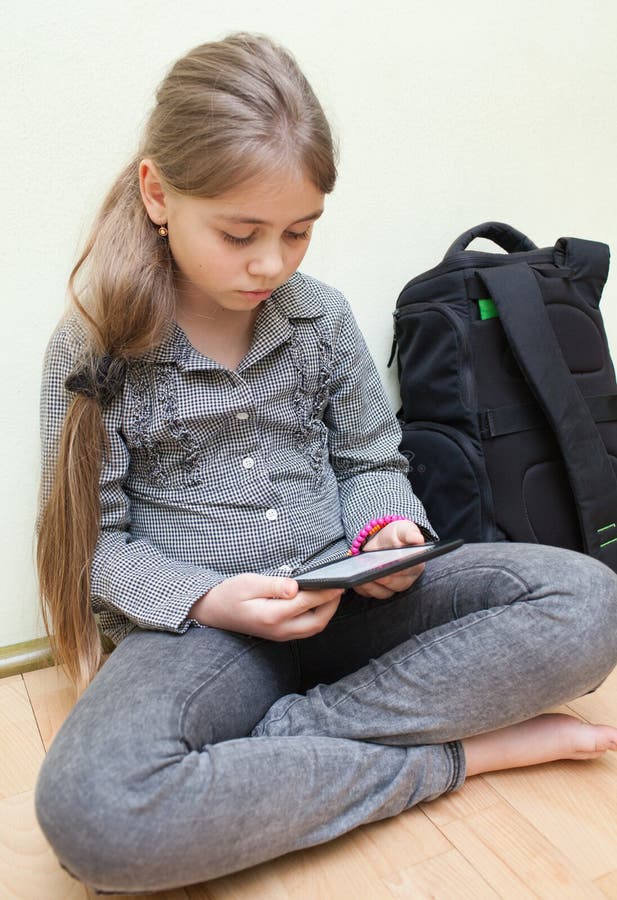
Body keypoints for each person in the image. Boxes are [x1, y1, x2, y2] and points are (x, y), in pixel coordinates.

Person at [34, 32, 617, 896]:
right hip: (207, 637)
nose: (271, 263)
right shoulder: (95, 351)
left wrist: (385, 530)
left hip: (355, 605)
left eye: (298, 233)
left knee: (587, 601)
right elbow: (97, 545)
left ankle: (265, 757)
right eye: (239, 234)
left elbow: (370, 461)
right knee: (95, 817)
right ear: (158, 193)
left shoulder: (320, 321)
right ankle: (457, 755)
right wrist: (207, 598)